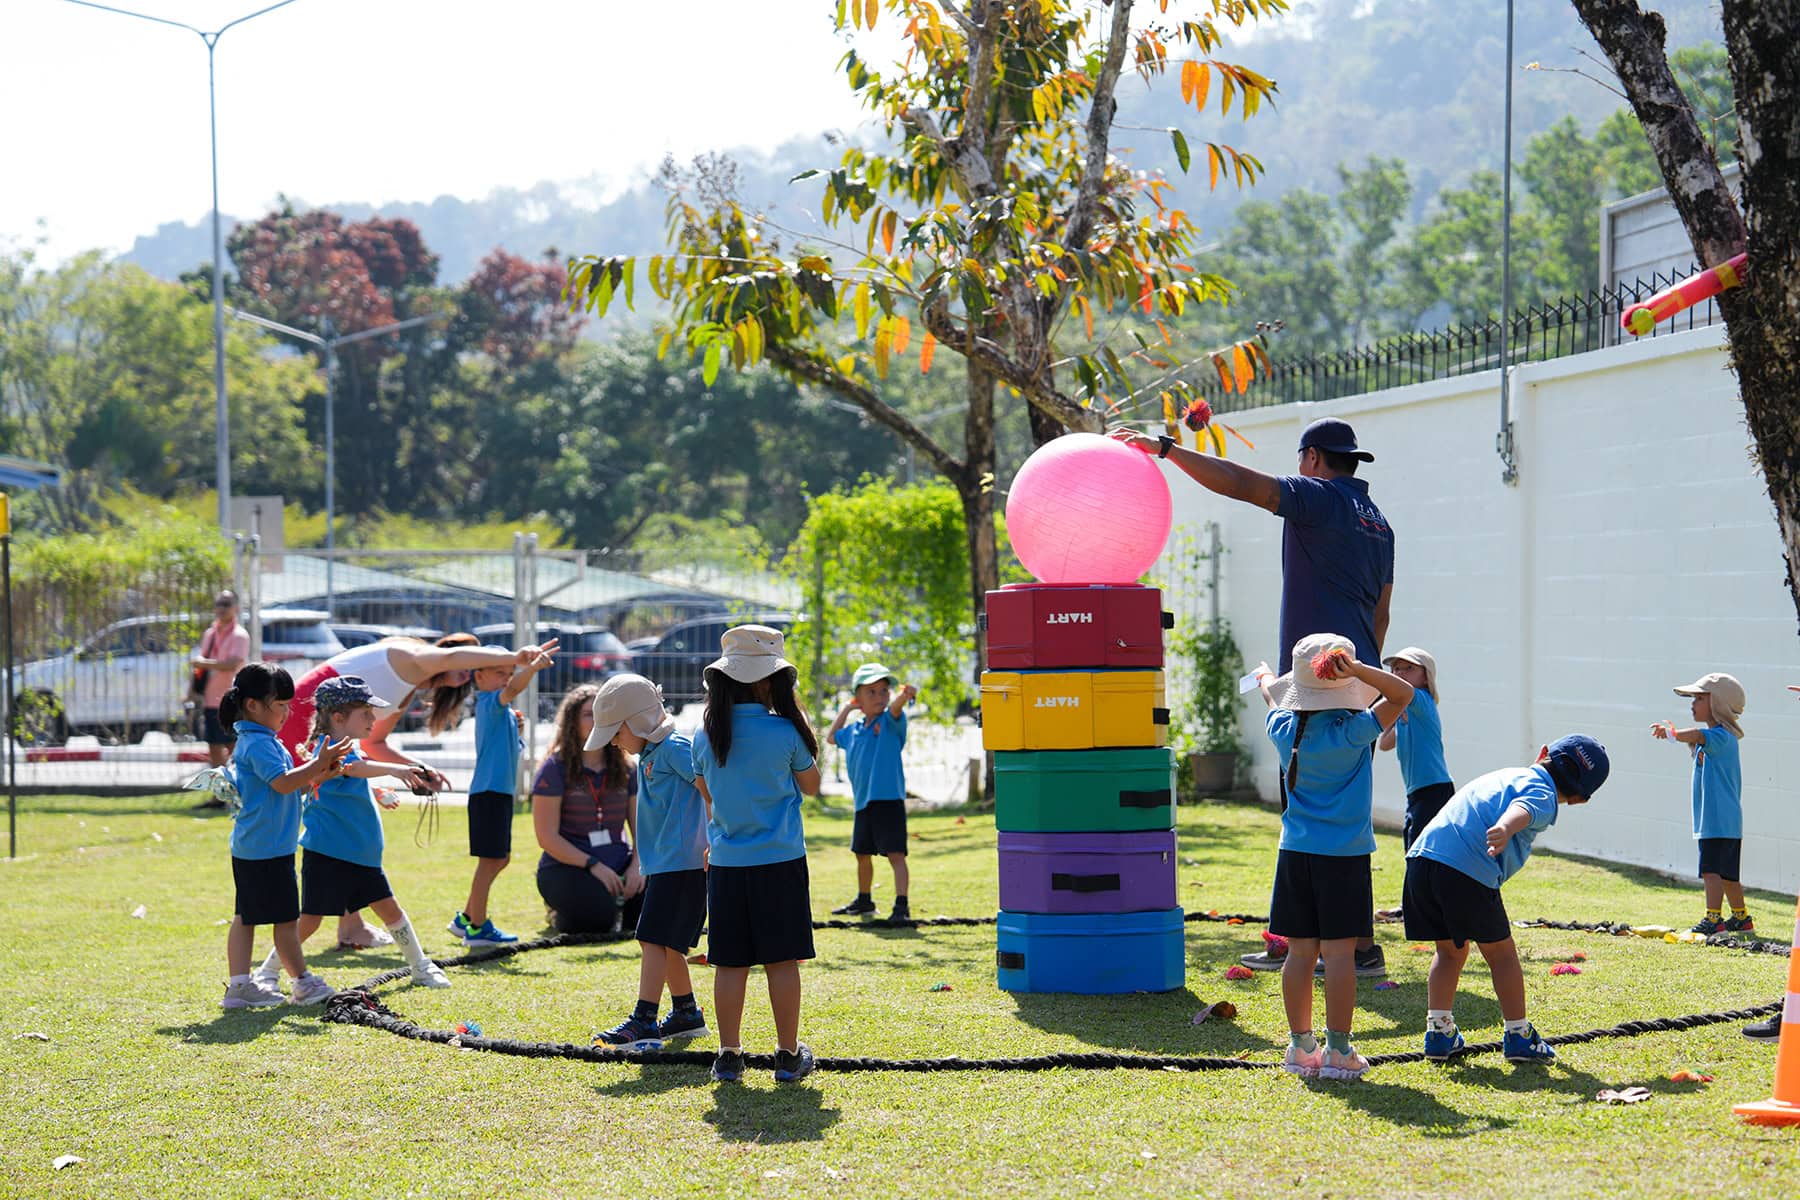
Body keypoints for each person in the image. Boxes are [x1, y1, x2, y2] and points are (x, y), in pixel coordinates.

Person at [1113, 417, 1395, 974]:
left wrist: (1168, 449)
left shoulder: (1317, 497)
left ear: (1313, 458)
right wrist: (1359, 675)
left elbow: (1245, 486)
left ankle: (1294, 939)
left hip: (1317, 676)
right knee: (1345, 809)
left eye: (1300, 459)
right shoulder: (1380, 523)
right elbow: (1381, 612)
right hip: (1357, 673)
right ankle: (1358, 946)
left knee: (1303, 810)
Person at [279, 632, 558, 949]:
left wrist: (417, 769)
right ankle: (307, 934)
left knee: (346, 826)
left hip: (326, 739)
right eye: (476, 661)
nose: (471, 671)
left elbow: (374, 744)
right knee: (324, 829)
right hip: (301, 724)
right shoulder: (413, 657)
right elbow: (452, 659)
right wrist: (516, 658)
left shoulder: (408, 687)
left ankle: (350, 926)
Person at [1257, 634, 1412, 1081]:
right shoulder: (1356, 728)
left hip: (1295, 854)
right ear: (1344, 680)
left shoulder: (1283, 728)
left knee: (1300, 953)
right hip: (1343, 858)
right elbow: (1403, 694)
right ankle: (1339, 1051)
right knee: (1340, 956)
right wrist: (1359, 671)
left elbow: (1271, 693)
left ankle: (1300, 1046)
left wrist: (1267, 675)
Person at [1404, 735, 1612, 1064]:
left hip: (1421, 861)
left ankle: (1439, 1031)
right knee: (1502, 956)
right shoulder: (1542, 792)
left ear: (1543, 752)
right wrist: (1504, 826)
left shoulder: (1507, 775)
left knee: (1449, 952)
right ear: (1579, 799)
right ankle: (1518, 1035)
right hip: (1467, 869)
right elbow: (1524, 809)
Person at [252, 675, 451, 990]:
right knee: (310, 921)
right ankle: (267, 972)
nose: (374, 719)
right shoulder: (327, 748)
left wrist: (378, 791)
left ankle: (421, 966)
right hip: (328, 853)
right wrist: (395, 769)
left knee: (390, 910)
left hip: (360, 852)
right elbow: (350, 768)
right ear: (338, 717)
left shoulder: (348, 749)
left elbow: (353, 775)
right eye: (366, 713)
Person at [691, 625, 822, 1085]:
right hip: (781, 862)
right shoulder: (785, 731)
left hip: (726, 864)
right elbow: (812, 785)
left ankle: (728, 1055)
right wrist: (796, 717)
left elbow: (707, 793)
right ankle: (787, 1055)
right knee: (782, 961)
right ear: (770, 681)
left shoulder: (703, 736)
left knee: (729, 963)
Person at [587, 674, 711, 1048]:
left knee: (652, 939)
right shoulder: (652, 752)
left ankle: (644, 1019)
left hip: (685, 864)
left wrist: (716, 838)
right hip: (665, 864)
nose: (613, 741)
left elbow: (710, 789)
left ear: (636, 722)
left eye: (616, 732)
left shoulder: (674, 747)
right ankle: (687, 1013)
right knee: (668, 942)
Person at [219, 663, 351, 1009]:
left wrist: (320, 774)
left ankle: (239, 987)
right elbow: (281, 781)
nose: (287, 713)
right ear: (253, 705)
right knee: (286, 921)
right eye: (280, 706)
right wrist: (318, 763)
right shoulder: (257, 744)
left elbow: (286, 786)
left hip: (259, 845)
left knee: (246, 916)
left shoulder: (262, 741)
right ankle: (302, 983)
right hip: (266, 849)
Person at [448, 647, 554, 948]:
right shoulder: (489, 702)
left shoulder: (502, 711)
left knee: (498, 858)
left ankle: (467, 918)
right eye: (500, 673)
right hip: (489, 793)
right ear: (478, 676)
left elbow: (511, 751)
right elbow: (513, 689)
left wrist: (516, 732)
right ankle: (477, 926)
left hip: (497, 793)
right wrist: (531, 668)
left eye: (509, 673)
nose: (506, 679)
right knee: (492, 860)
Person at [531, 684, 644, 935]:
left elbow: (642, 829)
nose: (597, 719)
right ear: (572, 721)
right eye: (588, 713)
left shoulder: (628, 768)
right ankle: (560, 910)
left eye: (602, 712)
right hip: (568, 867)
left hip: (620, 864)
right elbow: (546, 838)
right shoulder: (554, 768)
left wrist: (637, 865)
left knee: (650, 910)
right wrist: (593, 865)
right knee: (598, 918)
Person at [1651, 672, 1749, 935]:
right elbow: (1697, 742)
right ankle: (1741, 918)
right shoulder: (1717, 741)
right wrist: (1687, 743)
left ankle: (1714, 920)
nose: (1692, 704)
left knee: (1710, 871)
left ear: (1717, 703)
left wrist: (1672, 734)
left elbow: (1697, 735)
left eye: (1698, 698)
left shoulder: (1720, 737)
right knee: (1728, 875)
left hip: (1716, 821)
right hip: (1724, 822)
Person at [827, 663, 917, 922]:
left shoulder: (890, 722)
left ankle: (902, 907)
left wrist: (903, 696)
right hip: (863, 803)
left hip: (888, 801)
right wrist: (846, 709)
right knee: (862, 854)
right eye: (872, 692)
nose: (880, 697)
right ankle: (864, 900)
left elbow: (897, 707)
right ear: (858, 699)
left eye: (884, 691)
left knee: (896, 855)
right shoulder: (854, 731)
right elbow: (832, 738)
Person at [1376, 646, 1453, 917]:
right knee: (1413, 849)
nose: (1398, 672)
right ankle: (1412, 907)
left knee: (1422, 852)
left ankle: (1419, 909)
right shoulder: (1407, 710)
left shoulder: (1420, 698)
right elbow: (1385, 743)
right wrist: (1395, 713)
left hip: (1434, 790)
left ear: (1426, 677)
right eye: (1395, 668)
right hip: (1418, 793)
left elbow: (1401, 694)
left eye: (1408, 668)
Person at [191, 590, 250, 771]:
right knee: (214, 746)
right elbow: (200, 668)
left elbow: (233, 664)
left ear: (236, 608)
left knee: (234, 747)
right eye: (219, 604)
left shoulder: (240, 635)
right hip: (210, 700)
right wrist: (191, 692)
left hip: (231, 701)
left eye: (226, 604)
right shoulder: (210, 633)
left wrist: (204, 663)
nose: (221, 608)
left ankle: (238, 792)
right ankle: (220, 794)